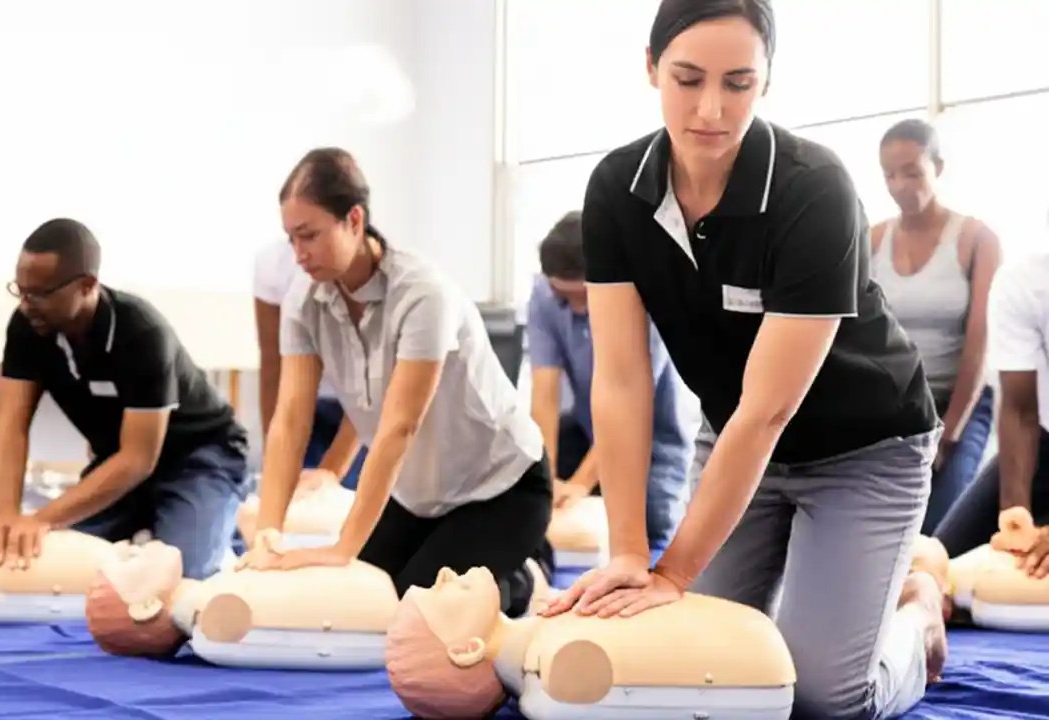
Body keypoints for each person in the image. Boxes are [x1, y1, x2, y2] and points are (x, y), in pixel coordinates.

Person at [541, 2, 948, 718]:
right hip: (734, 442)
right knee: (706, 668)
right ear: (651, 68)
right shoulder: (616, 190)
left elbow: (768, 410)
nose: (711, 109)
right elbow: (623, 379)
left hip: (865, 450)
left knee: (822, 699)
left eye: (738, 83)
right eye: (687, 78)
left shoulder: (812, 188)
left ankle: (917, 612)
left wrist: (674, 572)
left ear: (766, 81)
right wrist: (630, 554)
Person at [241, 147, 551, 617]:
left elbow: (398, 427)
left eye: (309, 235)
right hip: (417, 496)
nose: (298, 254)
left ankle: (521, 578)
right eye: (291, 239)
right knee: (359, 604)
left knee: (413, 610)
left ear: (354, 219)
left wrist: (343, 548)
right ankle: (488, 570)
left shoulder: (422, 293)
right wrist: (269, 530)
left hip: (501, 487)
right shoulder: (303, 302)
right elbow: (290, 420)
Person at [0, 219, 249, 580]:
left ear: (87, 285)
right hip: (115, 464)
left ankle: (222, 520)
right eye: (20, 291)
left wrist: (40, 519)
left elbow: (139, 459)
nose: (26, 305)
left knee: (180, 574)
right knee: (51, 559)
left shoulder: (142, 331)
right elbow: (11, 423)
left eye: (40, 294)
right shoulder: (28, 326)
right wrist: (7, 513)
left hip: (198, 458)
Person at [528, 210, 693, 549]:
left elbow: (629, 407)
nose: (576, 309)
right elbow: (544, 396)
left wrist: (581, 484)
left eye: (583, 296)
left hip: (652, 439)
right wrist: (549, 480)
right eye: (565, 298)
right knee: (540, 503)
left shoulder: (644, 299)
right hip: (589, 427)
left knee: (652, 531)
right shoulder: (544, 295)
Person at [871, 118, 1003, 534]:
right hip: (895, 405)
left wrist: (948, 434)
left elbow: (980, 343)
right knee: (882, 523)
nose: (899, 186)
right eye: (890, 175)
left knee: (940, 525)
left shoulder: (977, 240)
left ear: (938, 167)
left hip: (959, 400)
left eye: (912, 172)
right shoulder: (872, 240)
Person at [933, 252, 1049, 574]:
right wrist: (1015, 514)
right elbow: (1019, 408)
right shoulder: (1024, 281)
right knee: (938, 569)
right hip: (1045, 446)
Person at [253, 240, 366, 489]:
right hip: (306, 406)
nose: (300, 254)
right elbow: (272, 365)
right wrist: (273, 458)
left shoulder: (370, 269)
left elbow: (373, 386)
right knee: (288, 491)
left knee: (349, 495)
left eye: (310, 234)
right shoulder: (274, 266)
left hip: (367, 409)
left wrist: (330, 472)